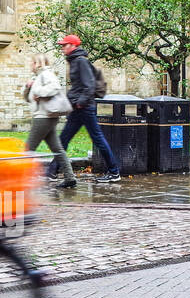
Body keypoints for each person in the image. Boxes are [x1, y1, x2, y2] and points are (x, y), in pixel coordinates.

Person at [55, 34, 120, 182]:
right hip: (79, 108)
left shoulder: (80, 61)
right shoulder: (74, 61)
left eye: (65, 45)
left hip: (85, 108)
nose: (63, 48)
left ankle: (114, 172)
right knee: (64, 139)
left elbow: (89, 85)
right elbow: (79, 86)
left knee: (98, 139)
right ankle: (52, 171)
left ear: (73, 46)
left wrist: (80, 102)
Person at [24, 55, 75, 188]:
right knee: (57, 148)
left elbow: (55, 87)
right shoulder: (37, 77)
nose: (30, 64)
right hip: (46, 116)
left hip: (43, 117)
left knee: (28, 148)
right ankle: (70, 178)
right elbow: (28, 98)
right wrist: (28, 87)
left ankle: (18, 178)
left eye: (32, 61)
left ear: (38, 63)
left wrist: (38, 92)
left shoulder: (46, 74)